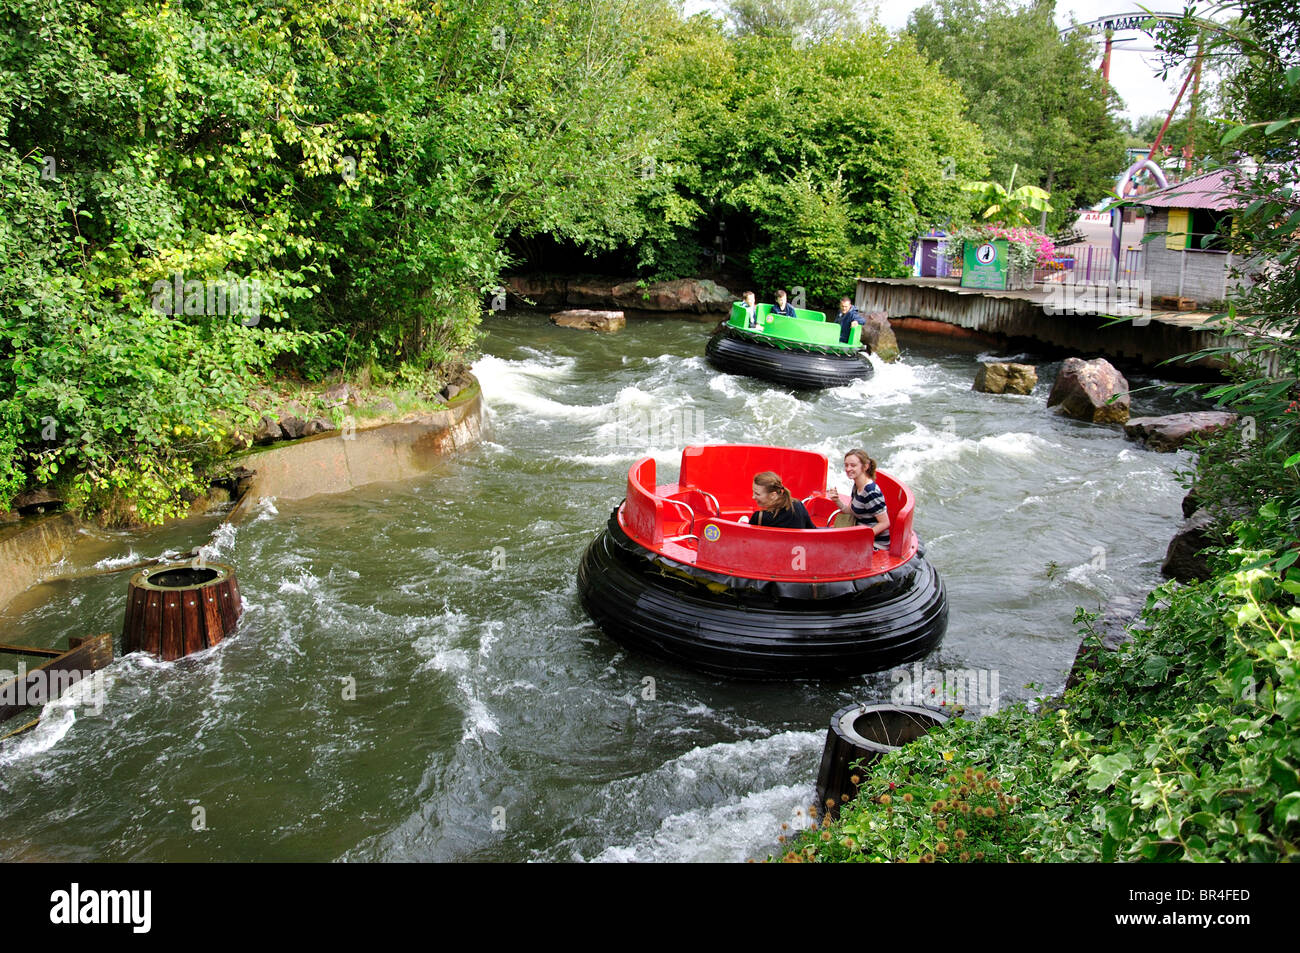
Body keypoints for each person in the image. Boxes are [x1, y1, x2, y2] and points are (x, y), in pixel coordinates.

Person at [836, 449, 891, 549]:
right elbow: (850, 511)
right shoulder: (857, 486)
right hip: (860, 534)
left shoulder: (870, 491)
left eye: (853, 465)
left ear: (865, 467)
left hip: (875, 543)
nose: (848, 469)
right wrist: (837, 500)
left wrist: (862, 538)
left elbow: (885, 523)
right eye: (846, 465)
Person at [748, 471, 815, 529]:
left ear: (773, 495)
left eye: (757, 494)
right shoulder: (798, 505)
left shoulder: (759, 517)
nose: (753, 497)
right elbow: (812, 530)